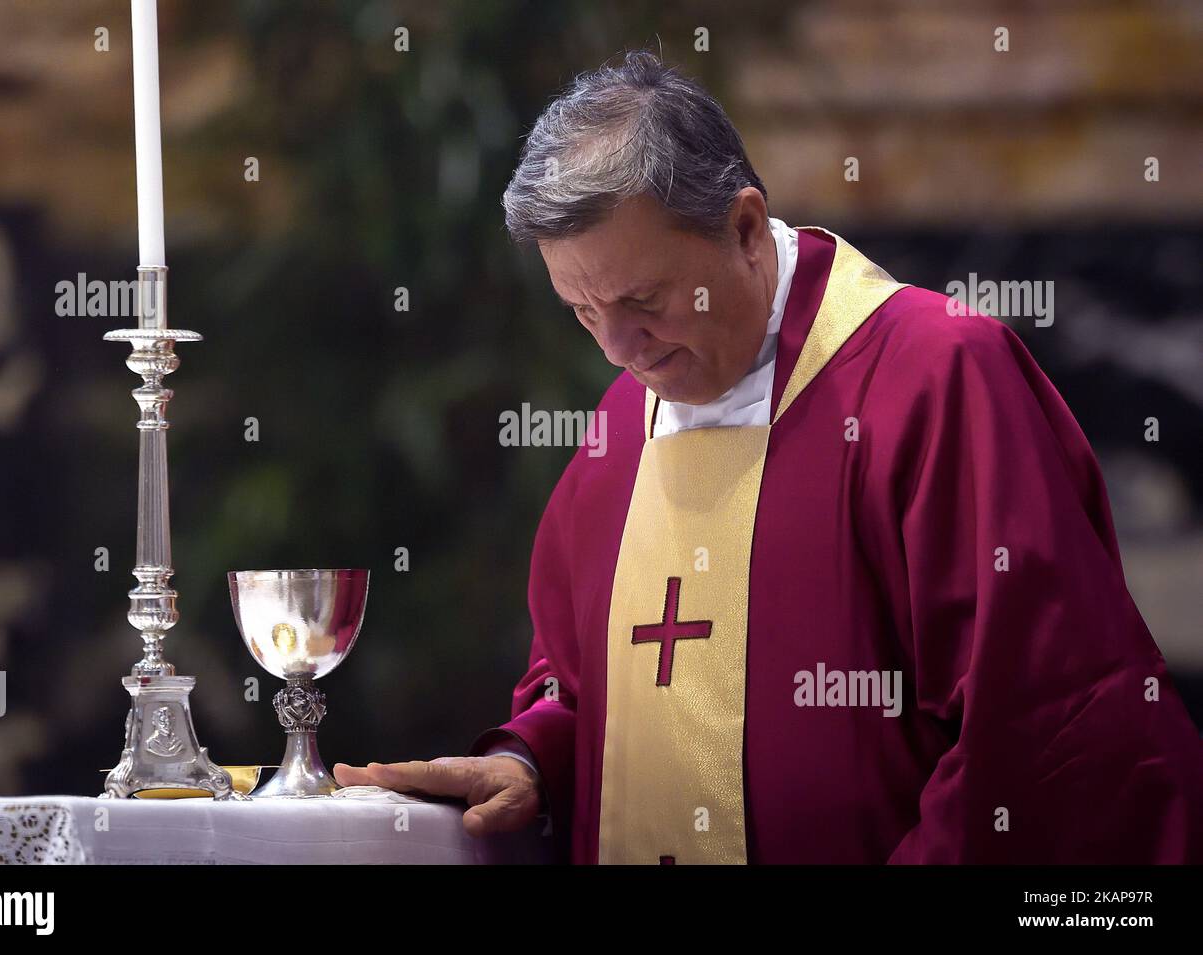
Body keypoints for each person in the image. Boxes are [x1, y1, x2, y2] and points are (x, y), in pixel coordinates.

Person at [334, 51, 1203, 864]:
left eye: (644, 300)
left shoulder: (933, 379)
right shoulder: (617, 434)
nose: (619, 349)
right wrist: (533, 759)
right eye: (582, 310)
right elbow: (577, 681)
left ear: (745, 228)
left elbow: (1045, 721)